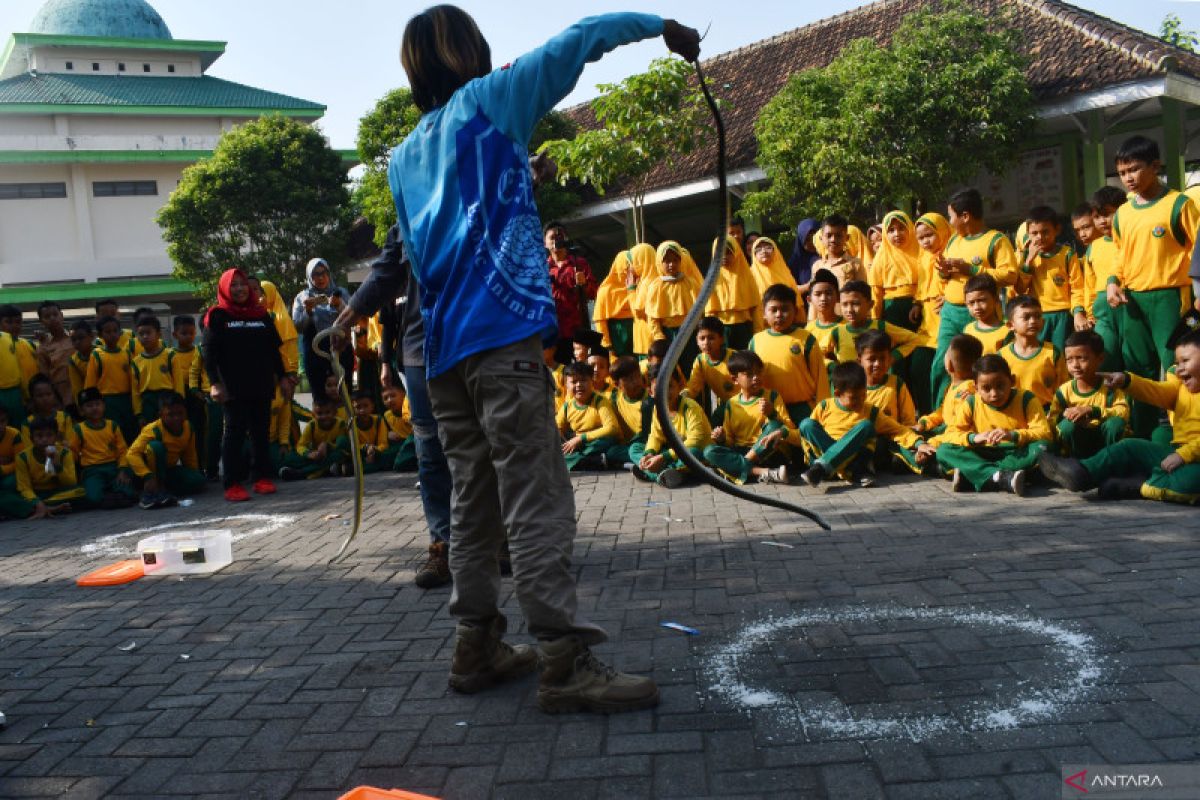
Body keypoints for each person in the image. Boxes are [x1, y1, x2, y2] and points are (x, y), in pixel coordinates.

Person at [384, 7, 699, 712]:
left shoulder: (403, 157)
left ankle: (478, 645)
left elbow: (419, 259)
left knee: (474, 504)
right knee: (536, 497)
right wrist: (662, 25)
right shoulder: (491, 100)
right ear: (468, 51)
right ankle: (563, 660)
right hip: (500, 343)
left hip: (443, 354)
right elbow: (580, 39)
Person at [339, 224, 455, 590]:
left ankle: (497, 540)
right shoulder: (407, 215)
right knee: (430, 451)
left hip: (478, 340)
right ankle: (444, 546)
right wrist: (344, 320)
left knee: (486, 444)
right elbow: (386, 273)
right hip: (422, 349)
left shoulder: (478, 184)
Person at [1040, 329, 1200, 504]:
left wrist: (1183, 456)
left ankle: (1139, 485)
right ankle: (1082, 473)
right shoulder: (1180, 385)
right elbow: (1158, 391)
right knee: (1128, 447)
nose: (1179, 369)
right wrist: (1126, 380)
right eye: (1177, 363)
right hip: (1178, 452)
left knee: (1192, 479)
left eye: (1185, 361)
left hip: (1190, 458)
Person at [1107, 136, 1199, 438]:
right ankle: (1144, 437)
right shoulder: (1123, 213)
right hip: (1132, 301)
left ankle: (1186, 436)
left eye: (1134, 169)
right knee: (1137, 370)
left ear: (1155, 166)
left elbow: (1198, 249)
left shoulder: (1179, 204)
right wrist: (1112, 283)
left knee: (1178, 366)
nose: (1128, 178)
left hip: (1171, 297)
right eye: (1122, 173)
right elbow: (1120, 254)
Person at [931, 188, 1020, 405]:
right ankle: (940, 413)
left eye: (951, 216)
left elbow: (1010, 274)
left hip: (982, 314)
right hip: (951, 311)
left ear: (965, 216)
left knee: (980, 366)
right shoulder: (954, 241)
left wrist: (971, 269)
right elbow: (946, 275)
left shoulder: (995, 240)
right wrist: (943, 270)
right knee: (942, 364)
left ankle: (978, 411)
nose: (950, 221)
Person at [205, 268, 286, 502]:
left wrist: (283, 376)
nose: (240, 289)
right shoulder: (218, 316)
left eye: (243, 285)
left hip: (261, 383)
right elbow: (210, 355)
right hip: (232, 387)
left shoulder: (261, 315)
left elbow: (274, 351)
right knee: (234, 433)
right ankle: (231, 483)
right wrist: (215, 384)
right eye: (234, 285)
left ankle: (261, 478)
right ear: (224, 288)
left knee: (261, 433)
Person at [931, 354, 1049, 495]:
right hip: (982, 452)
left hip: (1015, 452)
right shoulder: (971, 403)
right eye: (986, 388)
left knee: (1043, 447)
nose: (994, 394)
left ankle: (977, 474)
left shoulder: (1026, 399)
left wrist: (1013, 435)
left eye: (1000, 386)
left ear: (1012, 381)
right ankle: (1000, 477)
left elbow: (1044, 432)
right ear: (976, 388)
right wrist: (974, 438)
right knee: (944, 451)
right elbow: (951, 434)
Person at [799, 362, 922, 490]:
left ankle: (824, 467)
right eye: (854, 398)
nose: (860, 401)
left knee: (867, 426)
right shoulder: (824, 407)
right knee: (806, 424)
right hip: (847, 469)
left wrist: (918, 443)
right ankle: (847, 470)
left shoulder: (871, 412)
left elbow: (898, 430)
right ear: (837, 393)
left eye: (863, 395)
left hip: (824, 470)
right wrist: (785, 433)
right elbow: (803, 435)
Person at [702, 350, 795, 485]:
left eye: (758, 372)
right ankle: (764, 473)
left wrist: (772, 414)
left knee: (774, 426)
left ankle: (739, 468)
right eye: (749, 374)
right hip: (741, 449)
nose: (756, 377)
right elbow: (730, 441)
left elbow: (788, 428)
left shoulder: (772, 396)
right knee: (709, 451)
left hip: (769, 452)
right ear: (735, 379)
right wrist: (722, 439)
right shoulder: (731, 404)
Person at [748, 284, 828, 423]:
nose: (779, 314)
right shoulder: (756, 341)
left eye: (785, 309)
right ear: (764, 313)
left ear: (796, 312)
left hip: (803, 408)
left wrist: (823, 410)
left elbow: (820, 377)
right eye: (773, 310)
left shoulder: (806, 339)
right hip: (768, 407)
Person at [1016, 206, 1087, 352]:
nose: (1039, 237)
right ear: (1028, 234)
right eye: (1034, 233)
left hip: (1063, 315)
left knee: (1060, 355)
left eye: (1045, 232)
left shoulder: (1067, 254)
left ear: (1057, 230)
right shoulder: (1025, 257)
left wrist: (1078, 313)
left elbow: (1077, 287)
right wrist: (1028, 262)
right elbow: (1020, 289)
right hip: (1037, 315)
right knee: (1038, 354)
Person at [1048, 330, 1128, 457]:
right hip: (1078, 441)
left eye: (1082, 358)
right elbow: (1052, 420)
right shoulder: (1064, 391)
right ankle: (1075, 461)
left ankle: (1112, 459)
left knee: (1115, 424)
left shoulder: (1110, 386)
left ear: (1100, 358)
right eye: (1069, 360)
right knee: (1066, 427)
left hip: (1104, 437)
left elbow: (1123, 412)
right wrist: (1067, 415)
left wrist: (1093, 410)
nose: (1075, 365)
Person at [631, 362, 712, 487]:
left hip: (695, 453)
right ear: (651, 393)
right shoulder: (658, 409)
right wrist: (649, 454)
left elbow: (695, 441)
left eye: (669, 386)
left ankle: (656, 473)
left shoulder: (690, 407)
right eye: (658, 389)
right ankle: (665, 472)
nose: (664, 393)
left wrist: (663, 457)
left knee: (692, 453)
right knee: (635, 448)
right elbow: (655, 436)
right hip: (672, 454)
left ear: (679, 386)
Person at [125, 392, 205, 509]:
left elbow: (190, 455)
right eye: (170, 415)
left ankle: (161, 489)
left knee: (198, 480)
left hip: (167, 470)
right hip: (146, 473)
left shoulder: (188, 427)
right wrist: (147, 476)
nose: (176, 418)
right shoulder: (152, 429)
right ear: (161, 415)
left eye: (180, 413)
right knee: (155, 447)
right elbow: (131, 454)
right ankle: (149, 490)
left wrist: (192, 474)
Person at [0, 416, 83, 519]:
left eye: (49, 435)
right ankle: (43, 507)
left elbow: (70, 482)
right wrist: (37, 502)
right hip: (35, 494)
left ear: (56, 437)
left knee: (81, 492)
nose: (44, 440)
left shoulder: (64, 453)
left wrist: (57, 464)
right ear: (31, 438)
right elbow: (24, 488)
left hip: (57, 493)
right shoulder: (23, 457)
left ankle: (38, 507)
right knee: (3, 496)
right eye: (39, 436)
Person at [292, 257, 352, 397]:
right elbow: (298, 327)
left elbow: (352, 319)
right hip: (315, 351)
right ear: (309, 276)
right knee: (320, 396)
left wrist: (339, 306)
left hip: (341, 348)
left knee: (344, 392)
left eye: (324, 273)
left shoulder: (340, 292)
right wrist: (308, 311)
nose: (321, 278)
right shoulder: (302, 297)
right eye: (315, 274)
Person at [1084, 186, 1127, 372]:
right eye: (1097, 217)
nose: (1102, 221)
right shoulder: (1093, 247)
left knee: (1135, 362)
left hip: (1129, 308)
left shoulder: (1130, 239)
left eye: (1108, 214)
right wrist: (1086, 313)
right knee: (1105, 361)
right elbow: (1088, 285)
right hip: (1103, 315)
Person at [826, 281, 920, 364]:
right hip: (847, 383)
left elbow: (914, 339)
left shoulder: (880, 326)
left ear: (870, 305)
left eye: (855, 304)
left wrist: (892, 357)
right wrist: (832, 366)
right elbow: (820, 354)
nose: (849, 310)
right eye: (845, 305)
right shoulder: (836, 332)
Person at [72, 387, 136, 509]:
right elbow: (73, 453)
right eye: (89, 405)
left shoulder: (112, 426)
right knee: (93, 498)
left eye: (97, 404)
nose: (94, 408)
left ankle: (112, 495)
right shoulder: (79, 429)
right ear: (82, 410)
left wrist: (122, 470)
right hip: (92, 470)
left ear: (104, 406)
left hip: (113, 467)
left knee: (127, 491)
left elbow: (123, 451)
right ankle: (108, 496)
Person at [1000, 295, 1066, 409]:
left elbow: (1063, 388)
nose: (1033, 321)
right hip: (1015, 413)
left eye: (1037, 316)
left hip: (1047, 412)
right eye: (1026, 317)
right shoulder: (1001, 356)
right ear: (1010, 325)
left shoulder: (1052, 352)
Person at [644, 241, 702, 372]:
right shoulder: (656, 287)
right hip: (668, 335)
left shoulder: (691, 283)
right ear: (660, 262)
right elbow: (653, 318)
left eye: (676, 260)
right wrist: (659, 337)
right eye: (667, 261)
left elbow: (700, 312)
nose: (672, 264)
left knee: (693, 368)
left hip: (690, 335)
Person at [915, 334, 982, 445]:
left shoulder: (968, 388)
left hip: (956, 437)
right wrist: (925, 422)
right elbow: (943, 411)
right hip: (945, 431)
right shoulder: (952, 385)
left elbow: (959, 427)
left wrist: (934, 443)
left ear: (949, 364)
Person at [556, 362, 622, 471]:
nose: (579, 385)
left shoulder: (600, 401)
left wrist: (581, 438)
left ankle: (587, 461)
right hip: (580, 445)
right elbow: (556, 427)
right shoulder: (568, 406)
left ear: (592, 381)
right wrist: (561, 437)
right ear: (566, 385)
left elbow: (612, 428)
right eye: (574, 382)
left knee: (600, 445)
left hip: (598, 442)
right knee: (557, 453)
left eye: (583, 380)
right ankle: (595, 461)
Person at [85, 317, 136, 444]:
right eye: (108, 332)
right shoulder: (96, 354)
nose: (112, 335)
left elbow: (133, 380)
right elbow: (90, 383)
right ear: (100, 335)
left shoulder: (127, 354)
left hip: (126, 399)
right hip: (107, 401)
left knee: (129, 432)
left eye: (115, 331)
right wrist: (90, 405)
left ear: (120, 332)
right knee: (112, 433)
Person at [706, 236, 762, 349]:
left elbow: (756, 307)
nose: (724, 257)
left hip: (745, 328)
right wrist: (711, 332)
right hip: (721, 328)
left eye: (728, 252)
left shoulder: (746, 276)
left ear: (736, 252)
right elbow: (710, 310)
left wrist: (758, 332)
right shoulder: (713, 278)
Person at [546, 222, 598, 341]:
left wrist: (584, 284)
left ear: (566, 239)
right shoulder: (542, 268)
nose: (556, 241)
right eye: (552, 238)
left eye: (559, 237)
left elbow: (593, 293)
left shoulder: (579, 263)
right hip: (553, 331)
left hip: (578, 328)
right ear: (544, 242)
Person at [594, 244, 649, 357]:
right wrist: (607, 344)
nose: (629, 271)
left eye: (631, 266)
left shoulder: (637, 286)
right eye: (625, 267)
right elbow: (600, 320)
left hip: (637, 329)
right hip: (617, 332)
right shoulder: (606, 290)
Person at [869, 211, 921, 330]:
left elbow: (926, 282)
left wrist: (918, 303)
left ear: (910, 228)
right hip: (891, 308)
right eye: (891, 230)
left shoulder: (921, 253)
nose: (897, 234)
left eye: (902, 228)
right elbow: (876, 291)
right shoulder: (881, 257)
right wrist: (875, 318)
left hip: (918, 306)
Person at [131, 316, 183, 427]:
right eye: (141, 334)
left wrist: (180, 403)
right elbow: (135, 391)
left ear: (159, 335)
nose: (145, 336)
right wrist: (139, 413)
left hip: (168, 400)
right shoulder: (136, 362)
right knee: (152, 432)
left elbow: (178, 382)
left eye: (148, 333)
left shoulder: (170, 355)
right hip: (148, 402)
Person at [279, 396, 348, 480]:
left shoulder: (341, 424)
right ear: (314, 414)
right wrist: (309, 453)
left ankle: (301, 473)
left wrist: (328, 446)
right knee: (290, 458)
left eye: (327, 412)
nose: (324, 416)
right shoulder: (311, 425)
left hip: (332, 454)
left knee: (338, 455)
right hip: (315, 456)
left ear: (334, 413)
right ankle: (322, 471)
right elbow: (300, 446)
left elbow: (343, 445)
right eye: (319, 413)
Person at [858, 330, 917, 427]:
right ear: (859, 360)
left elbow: (908, 421)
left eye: (882, 358)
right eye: (872, 359)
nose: (877, 364)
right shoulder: (853, 387)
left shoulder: (896, 384)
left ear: (889, 358)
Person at [608, 355, 652, 466]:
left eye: (637, 376)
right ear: (617, 384)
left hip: (648, 442)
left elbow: (647, 433)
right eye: (628, 379)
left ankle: (649, 466)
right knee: (612, 452)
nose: (635, 382)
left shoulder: (649, 399)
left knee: (634, 450)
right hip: (630, 444)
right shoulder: (615, 399)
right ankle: (640, 461)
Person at [685, 316, 736, 408]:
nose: (706, 343)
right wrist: (682, 396)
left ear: (722, 339)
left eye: (711, 338)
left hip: (740, 405)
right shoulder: (701, 361)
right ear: (697, 340)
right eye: (702, 338)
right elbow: (693, 388)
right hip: (726, 406)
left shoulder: (734, 358)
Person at [34, 301, 74, 412]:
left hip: (83, 396)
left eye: (55, 314)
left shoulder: (75, 338)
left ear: (61, 315)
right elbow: (45, 378)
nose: (52, 318)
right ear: (41, 321)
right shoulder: (42, 348)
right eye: (47, 316)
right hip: (62, 399)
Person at [813, 215, 866, 288]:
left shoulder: (855, 264)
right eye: (829, 235)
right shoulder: (817, 266)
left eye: (838, 236)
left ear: (847, 238)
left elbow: (863, 293)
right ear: (821, 238)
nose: (833, 240)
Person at [962, 274, 1009, 353]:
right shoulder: (968, 330)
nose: (977, 307)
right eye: (971, 303)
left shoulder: (1006, 332)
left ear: (996, 300)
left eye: (982, 300)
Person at [748, 236, 800, 303]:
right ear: (753, 254)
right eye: (758, 249)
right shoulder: (749, 274)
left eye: (768, 248)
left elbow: (794, 292)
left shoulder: (784, 271)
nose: (764, 251)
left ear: (775, 250)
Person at [804, 269, 842, 357]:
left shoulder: (845, 327)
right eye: (818, 294)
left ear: (838, 297)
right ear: (809, 300)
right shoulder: (808, 330)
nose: (823, 298)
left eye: (828, 293)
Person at [380, 384, 418, 472]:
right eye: (385, 398)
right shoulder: (387, 415)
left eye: (393, 396)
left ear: (404, 395)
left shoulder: (409, 410)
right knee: (384, 455)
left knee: (400, 463)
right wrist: (388, 434)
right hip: (400, 443)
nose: (389, 400)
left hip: (414, 440)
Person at [788, 218, 820, 291]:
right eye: (807, 239)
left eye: (815, 238)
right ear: (801, 240)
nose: (812, 242)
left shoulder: (829, 255)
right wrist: (808, 286)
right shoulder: (794, 262)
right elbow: (789, 289)